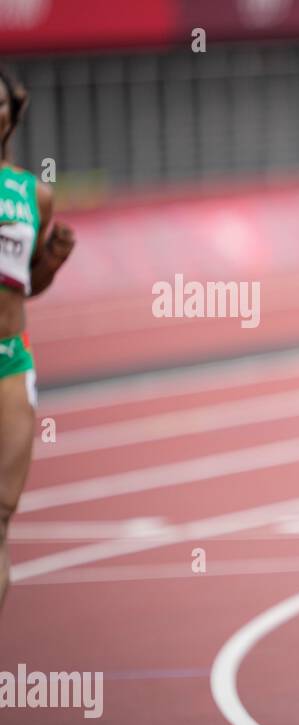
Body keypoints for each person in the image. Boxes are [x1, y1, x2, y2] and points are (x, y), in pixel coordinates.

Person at [0, 64, 75, 620]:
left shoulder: (34, 194)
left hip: (8, 361)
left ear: (12, 113)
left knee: (0, 513)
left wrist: (52, 260)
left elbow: (28, 283)